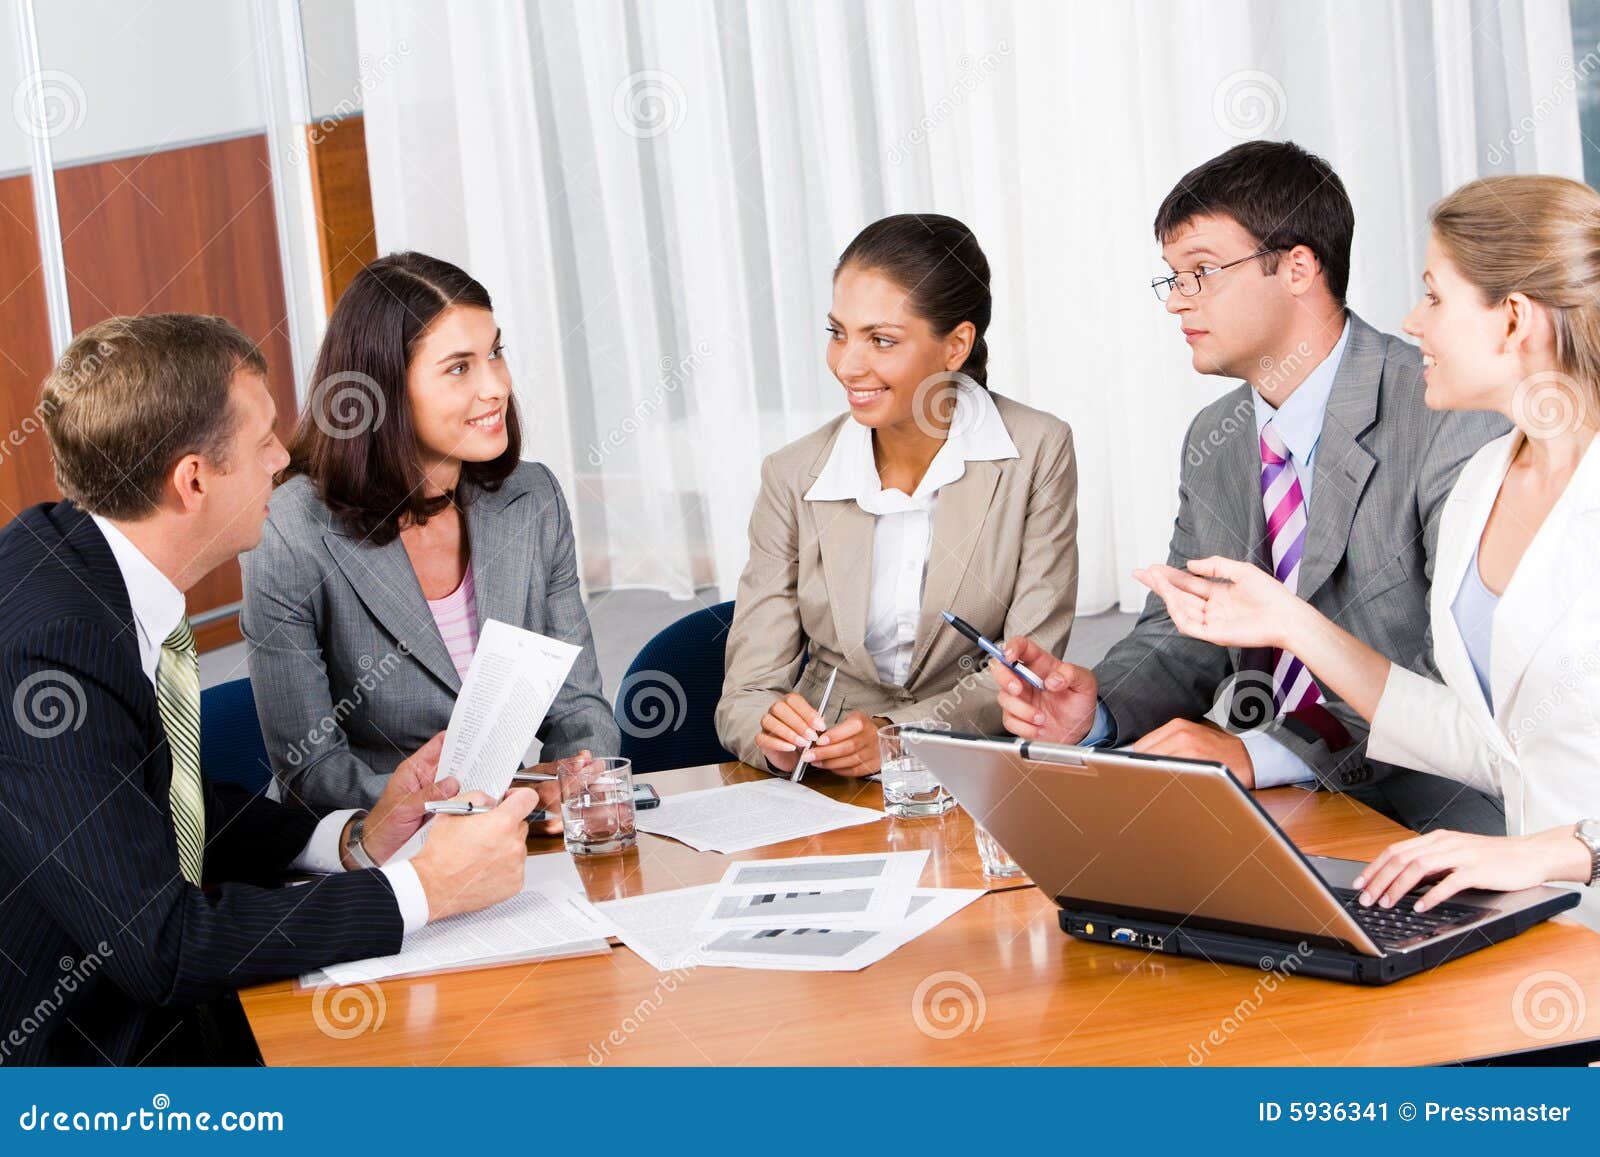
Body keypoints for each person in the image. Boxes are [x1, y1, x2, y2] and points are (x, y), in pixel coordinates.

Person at [0, 315, 540, 1064]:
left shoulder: (71, 558)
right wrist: (424, 889)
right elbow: (162, 946)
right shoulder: (48, 648)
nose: (284, 461)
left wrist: (356, 838)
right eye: (262, 444)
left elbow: (159, 800)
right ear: (193, 480)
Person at [991, 141, 1507, 833]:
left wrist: (1259, 752)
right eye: (1171, 277)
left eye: (1201, 271)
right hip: (1270, 814)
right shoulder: (1219, 436)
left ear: (1298, 267)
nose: (1177, 301)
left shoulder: (1445, 411)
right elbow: (1181, 633)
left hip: (1429, 817)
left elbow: (1450, 669)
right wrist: (1097, 707)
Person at [1134, 176, 1600, 928]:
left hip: (1560, 889)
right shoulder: (1487, 482)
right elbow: (1488, 745)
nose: (1413, 321)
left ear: (1514, 320)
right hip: (1547, 921)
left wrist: (1561, 851)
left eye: (1436, 297)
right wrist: (1289, 622)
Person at [241, 252, 618, 815]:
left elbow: (581, 710)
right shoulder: (292, 529)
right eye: (459, 368)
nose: (495, 388)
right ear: (385, 390)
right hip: (377, 855)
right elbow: (311, 773)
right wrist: (474, 803)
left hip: (517, 833)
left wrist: (572, 780)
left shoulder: (532, 499)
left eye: (495, 353)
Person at [717, 213, 1079, 776]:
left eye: (881, 340)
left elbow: (1027, 668)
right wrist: (774, 737)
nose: (847, 365)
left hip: (973, 765)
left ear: (956, 345)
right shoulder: (794, 475)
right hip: (826, 777)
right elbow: (745, 695)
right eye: (837, 333)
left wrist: (897, 738)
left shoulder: (1035, 450)